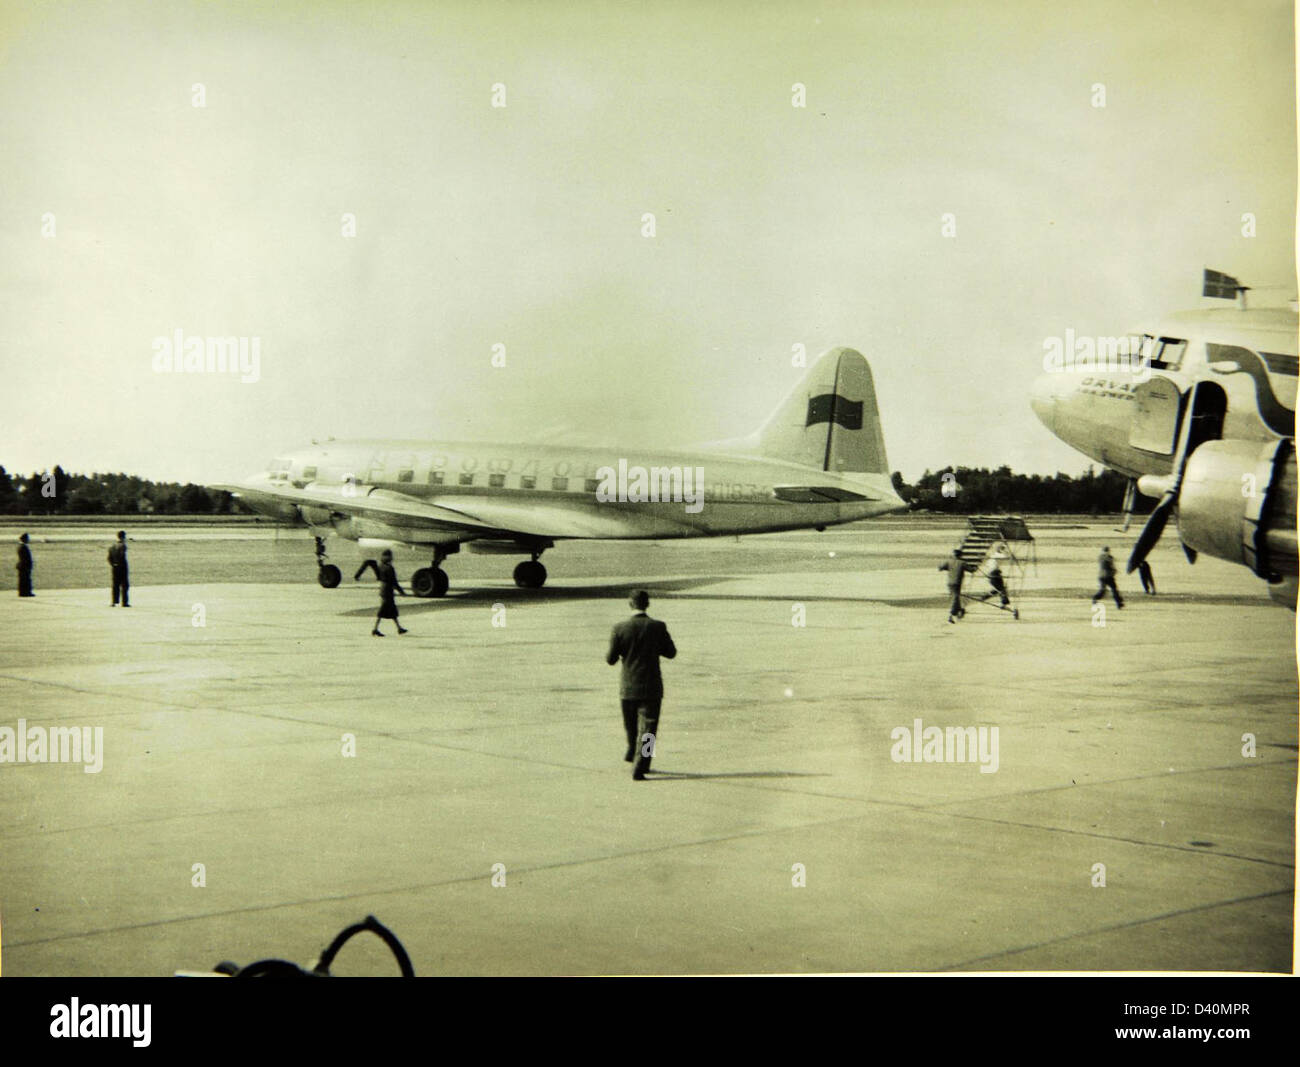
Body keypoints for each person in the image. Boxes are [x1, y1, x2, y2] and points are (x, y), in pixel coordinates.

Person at [606, 590, 676, 780]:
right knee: (649, 728)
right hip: (652, 686)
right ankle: (641, 764)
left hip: (628, 686)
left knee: (631, 725)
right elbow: (671, 653)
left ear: (630, 604)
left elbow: (610, 659)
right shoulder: (658, 626)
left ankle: (632, 750)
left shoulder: (619, 628)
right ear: (648, 604)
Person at [355, 550, 407, 636]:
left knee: (392, 610)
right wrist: (401, 592)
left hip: (383, 589)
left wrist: (358, 574)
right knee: (383, 610)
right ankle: (375, 629)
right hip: (387, 590)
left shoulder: (381, 566)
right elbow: (394, 581)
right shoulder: (389, 568)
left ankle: (399, 628)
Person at [938, 549, 966, 624]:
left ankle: (959, 611)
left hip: (950, 583)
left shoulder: (949, 562)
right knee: (955, 597)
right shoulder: (962, 562)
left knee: (955, 597)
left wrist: (948, 568)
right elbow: (972, 569)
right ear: (960, 555)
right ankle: (951, 615)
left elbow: (940, 568)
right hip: (957, 583)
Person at [108, 530, 129, 607]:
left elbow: (109, 558)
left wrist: (114, 564)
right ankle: (124, 602)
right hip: (122, 568)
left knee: (115, 585)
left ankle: (114, 601)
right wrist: (120, 564)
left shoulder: (112, 546)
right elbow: (121, 556)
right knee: (124, 585)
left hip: (114, 568)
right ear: (123, 537)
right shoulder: (123, 546)